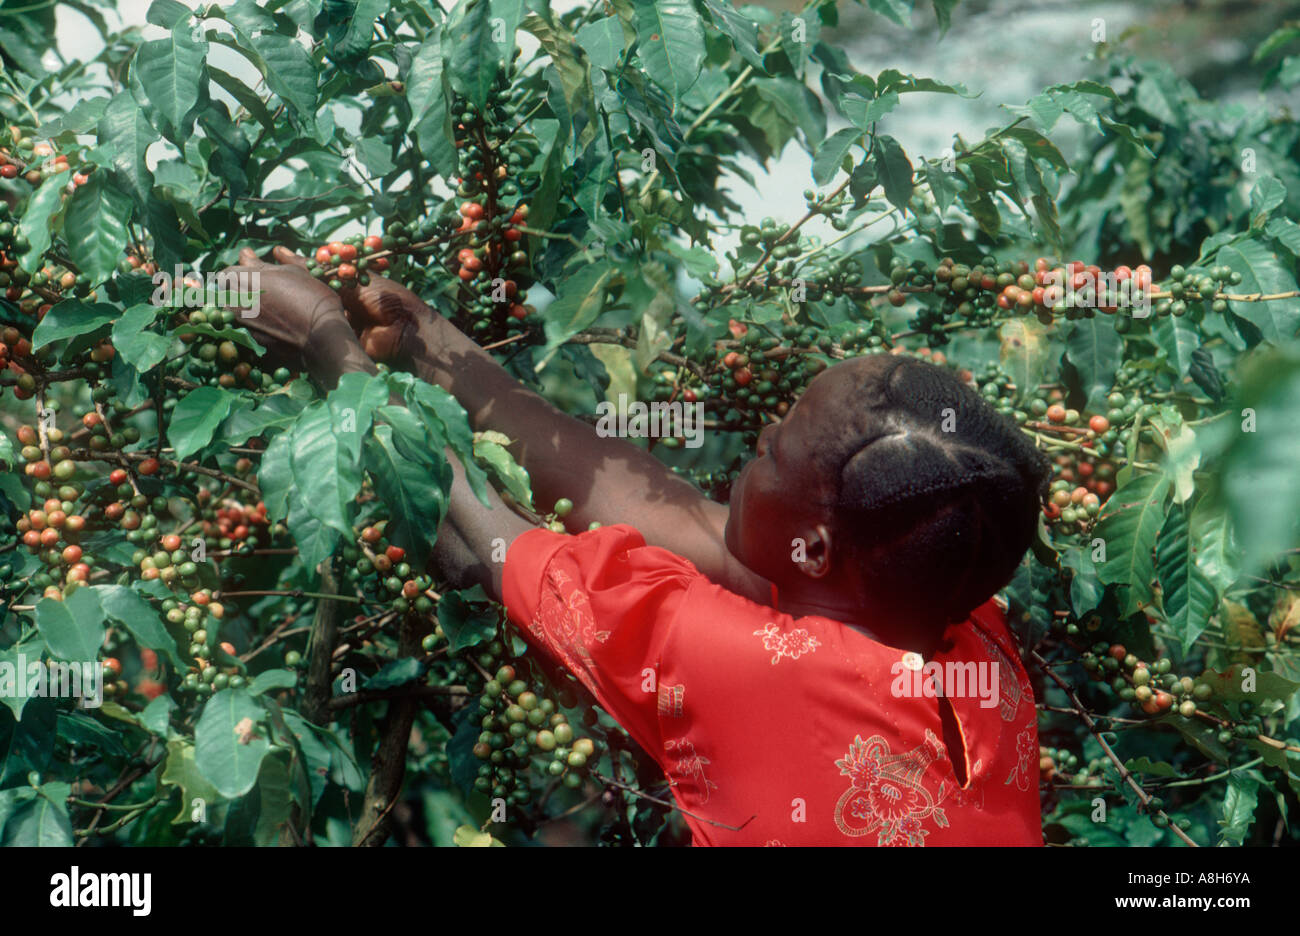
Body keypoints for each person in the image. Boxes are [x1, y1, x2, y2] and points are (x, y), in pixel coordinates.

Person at [229, 246, 1051, 846]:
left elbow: (470, 530)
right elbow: (672, 518)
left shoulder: (741, 667)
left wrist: (321, 336)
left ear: (812, 552)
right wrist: (424, 337)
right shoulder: (967, 620)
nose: (757, 436)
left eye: (774, 449)